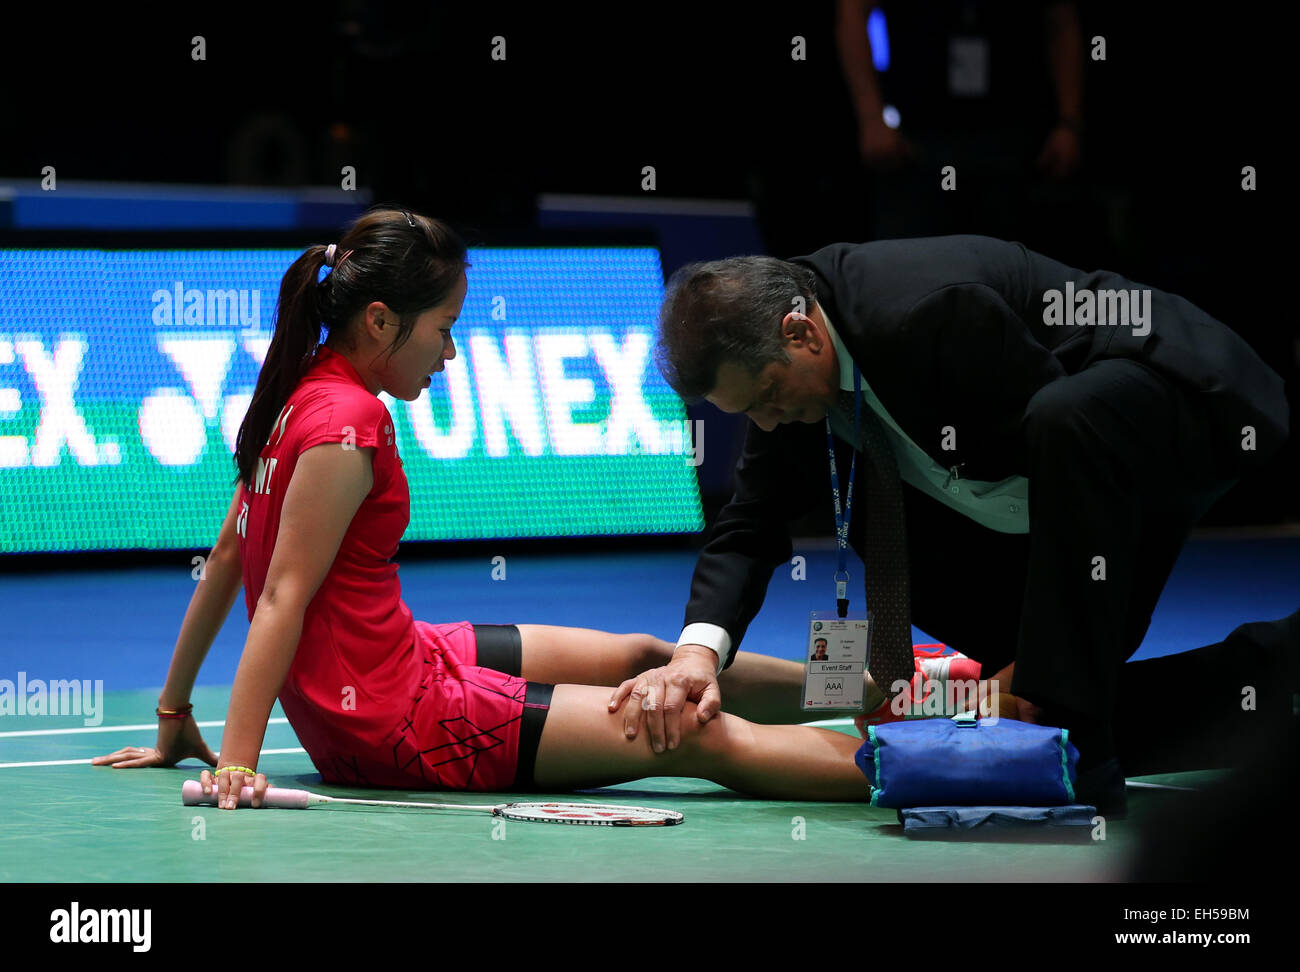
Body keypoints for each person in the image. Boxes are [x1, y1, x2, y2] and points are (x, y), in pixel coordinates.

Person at [93, 207, 905, 808]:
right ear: (382, 320)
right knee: (685, 734)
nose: (450, 354)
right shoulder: (350, 423)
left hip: (399, 659)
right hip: (392, 720)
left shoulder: (295, 397)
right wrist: (236, 762)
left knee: (644, 657)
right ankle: (926, 766)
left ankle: (885, 695)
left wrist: (173, 712)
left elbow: (231, 558)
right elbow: (277, 595)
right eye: (443, 329)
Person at [614, 235, 1290, 816]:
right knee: (1052, 686)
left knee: (1067, 427)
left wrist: (1053, 672)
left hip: (1182, 405)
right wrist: (696, 654)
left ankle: (1074, 754)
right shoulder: (784, 376)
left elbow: (1086, 483)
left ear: (802, 332)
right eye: (745, 412)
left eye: (765, 397)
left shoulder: (928, 311)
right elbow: (748, 525)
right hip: (1042, 482)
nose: (764, 423)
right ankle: (1271, 672)